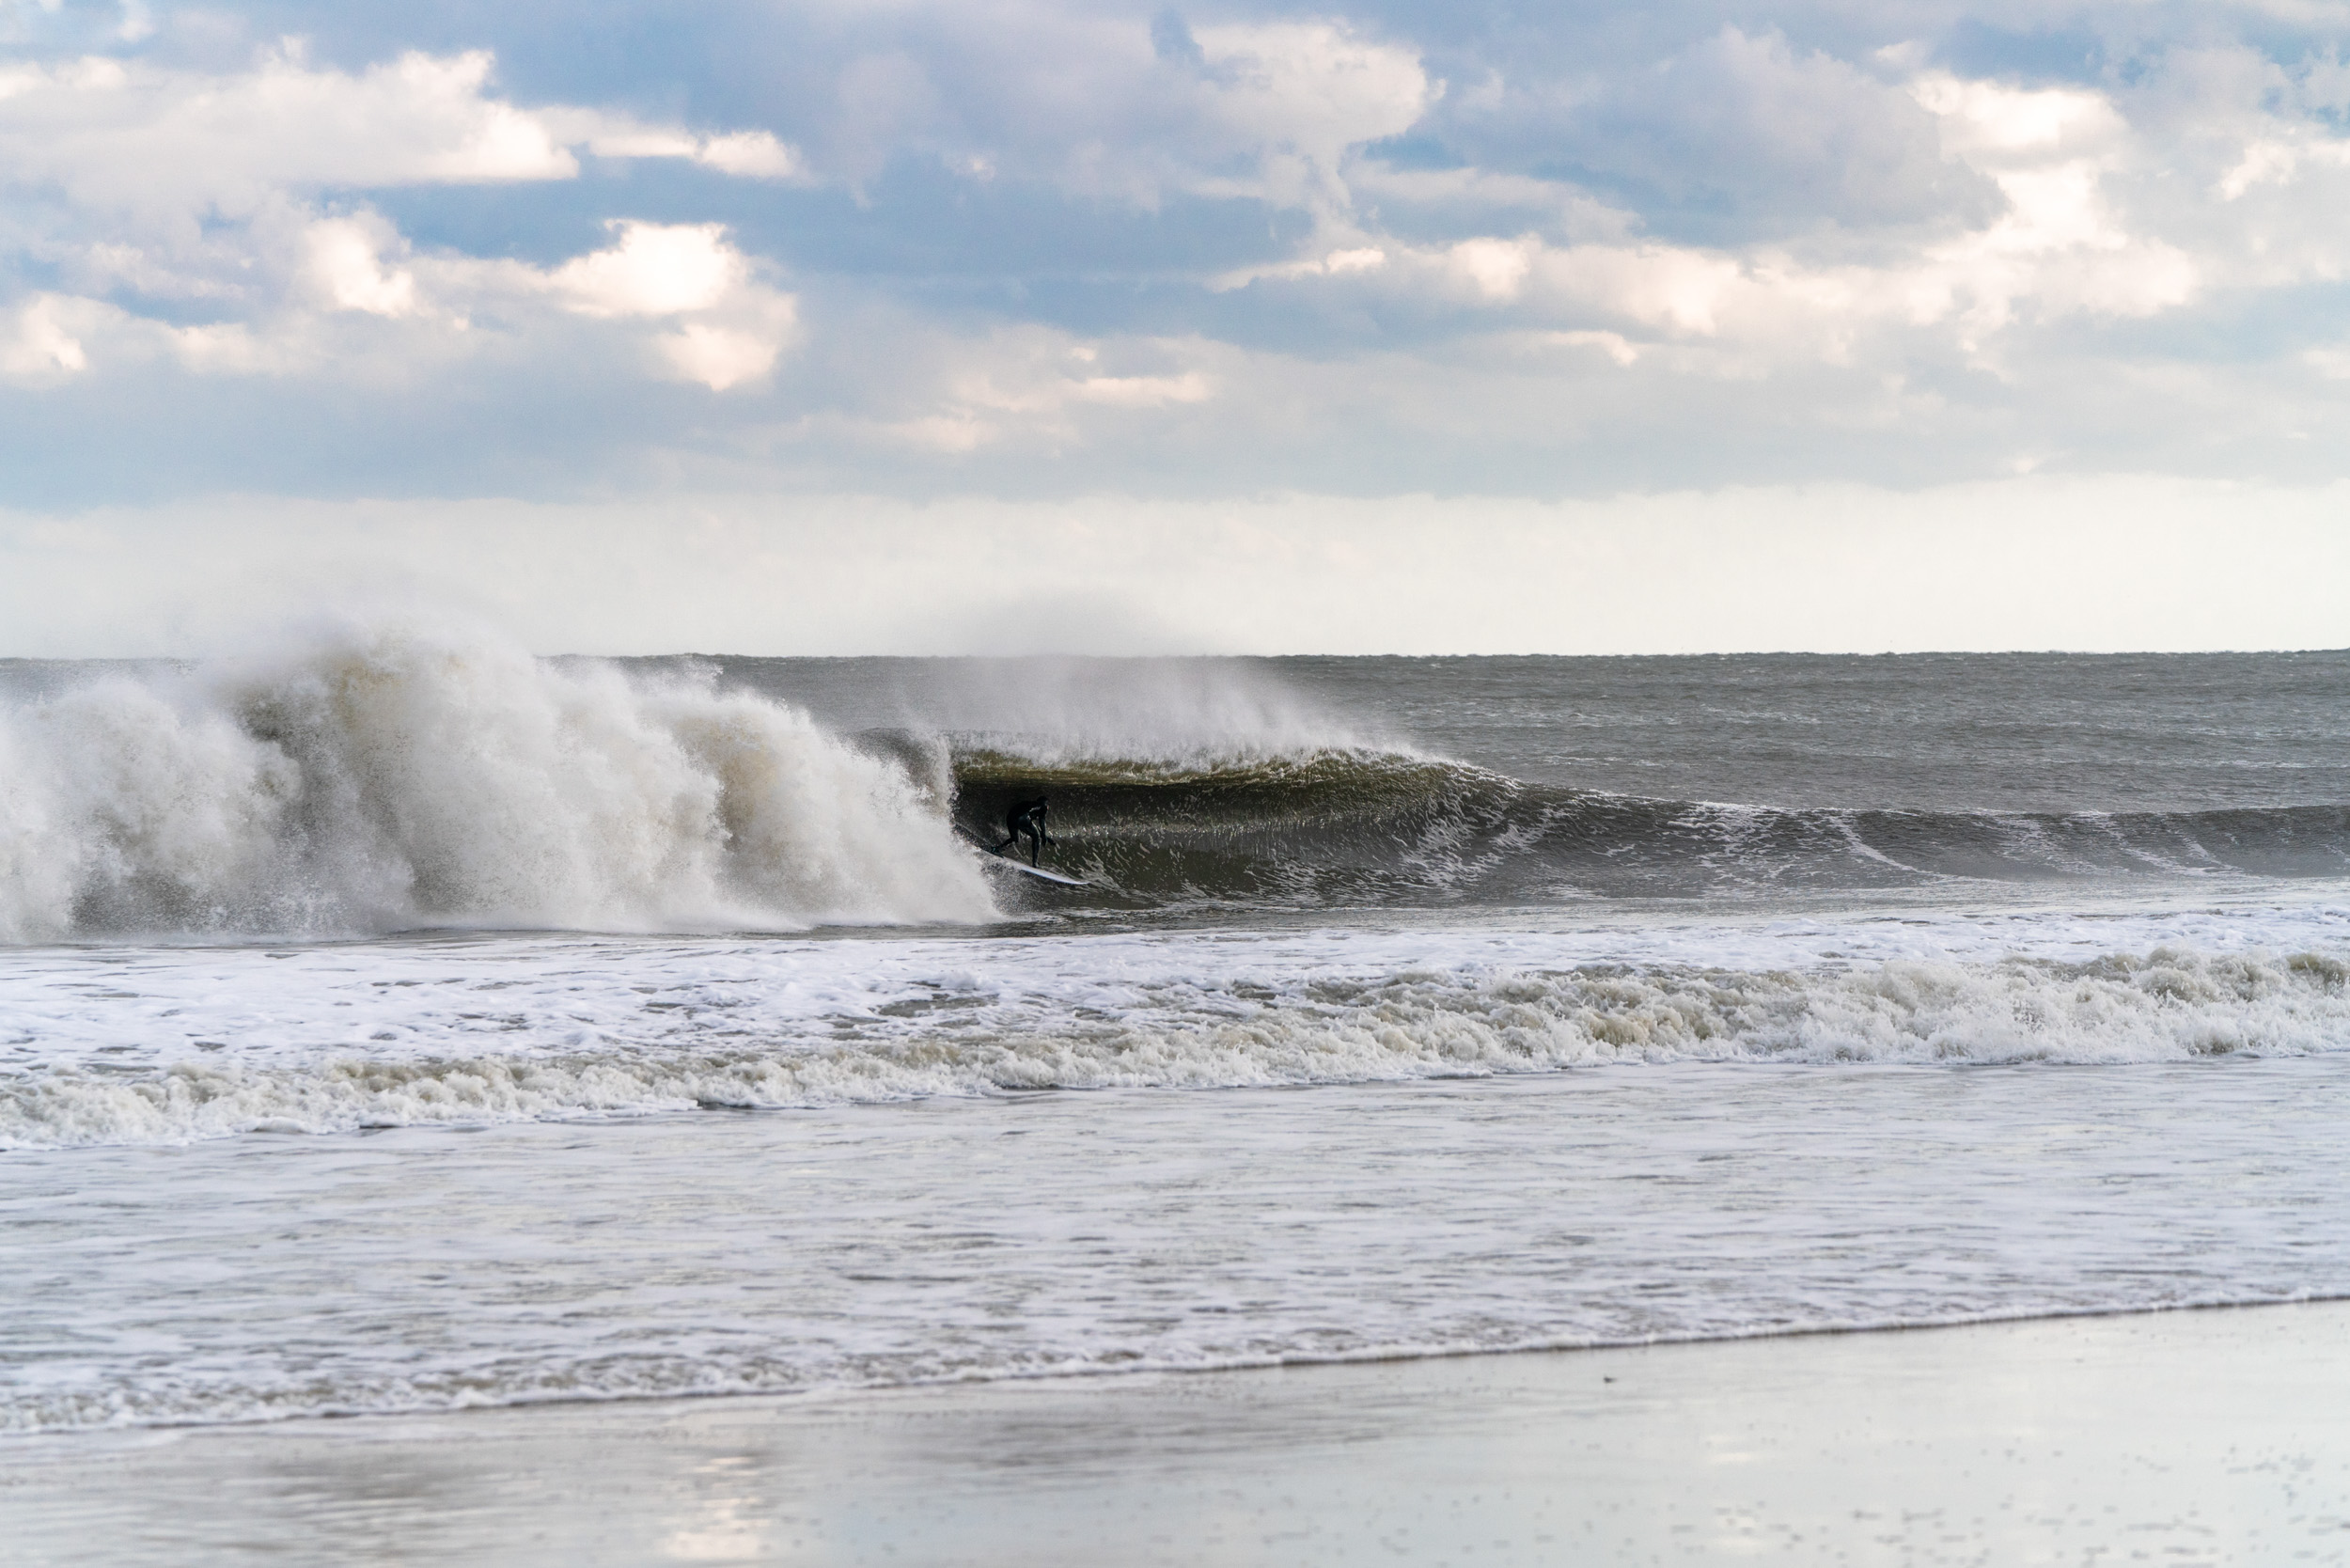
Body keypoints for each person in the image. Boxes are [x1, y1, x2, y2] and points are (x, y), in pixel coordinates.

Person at [995, 797, 1054, 866]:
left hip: (1011, 817)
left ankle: (996, 849)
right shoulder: (1043, 806)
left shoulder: (1030, 805)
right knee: (1036, 837)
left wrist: (1045, 836)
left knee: (1015, 839)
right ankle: (1035, 863)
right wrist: (1043, 835)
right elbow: (1041, 822)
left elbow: (1031, 827)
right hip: (1022, 818)